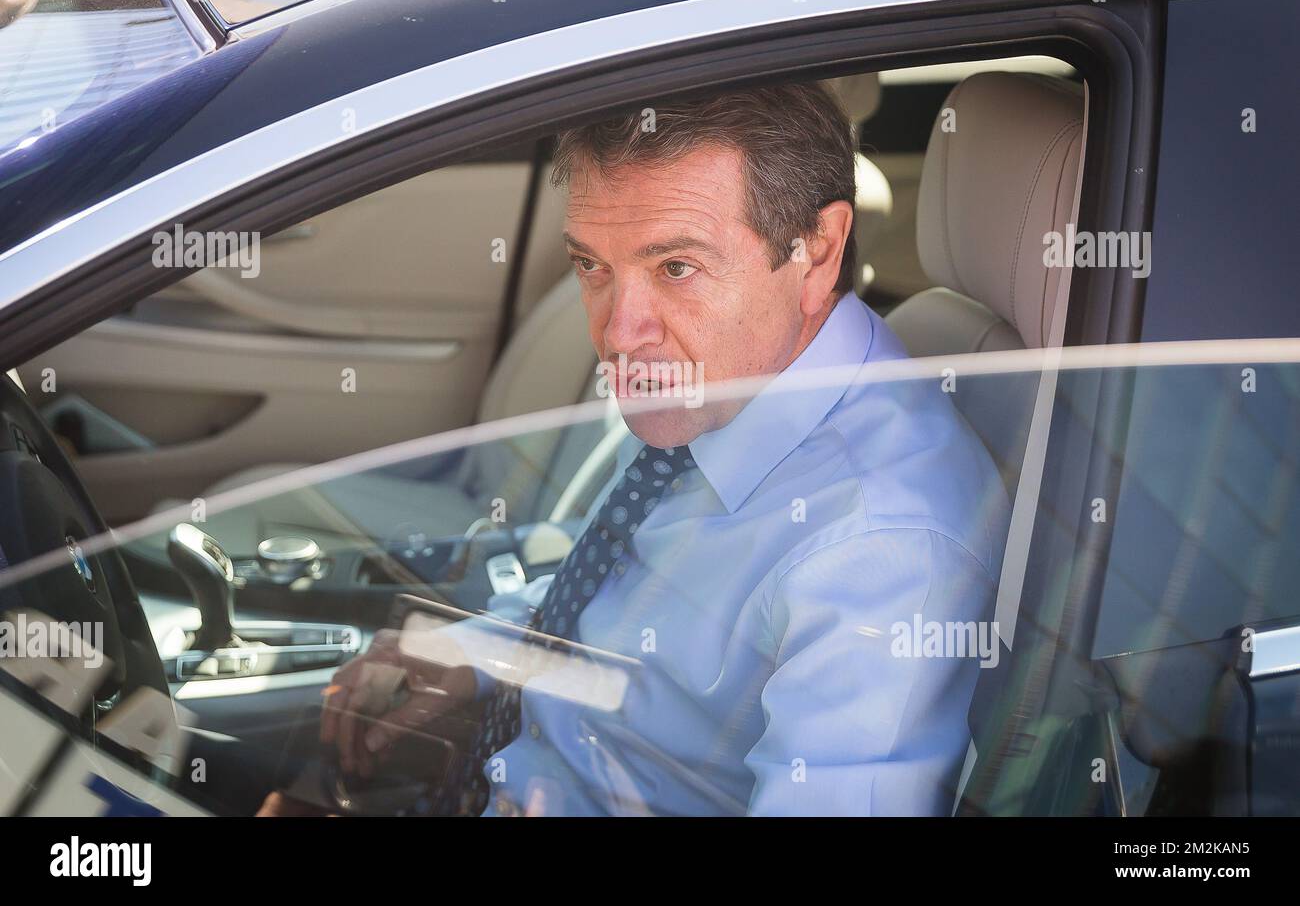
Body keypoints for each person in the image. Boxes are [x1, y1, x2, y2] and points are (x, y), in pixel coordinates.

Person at [264, 80, 1008, 816]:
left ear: (816, 252)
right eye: (592, 265)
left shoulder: (879, 550)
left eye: (675, 268)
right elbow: (617, 615)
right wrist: (475, 654)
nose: (619, 334)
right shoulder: (721, 394)